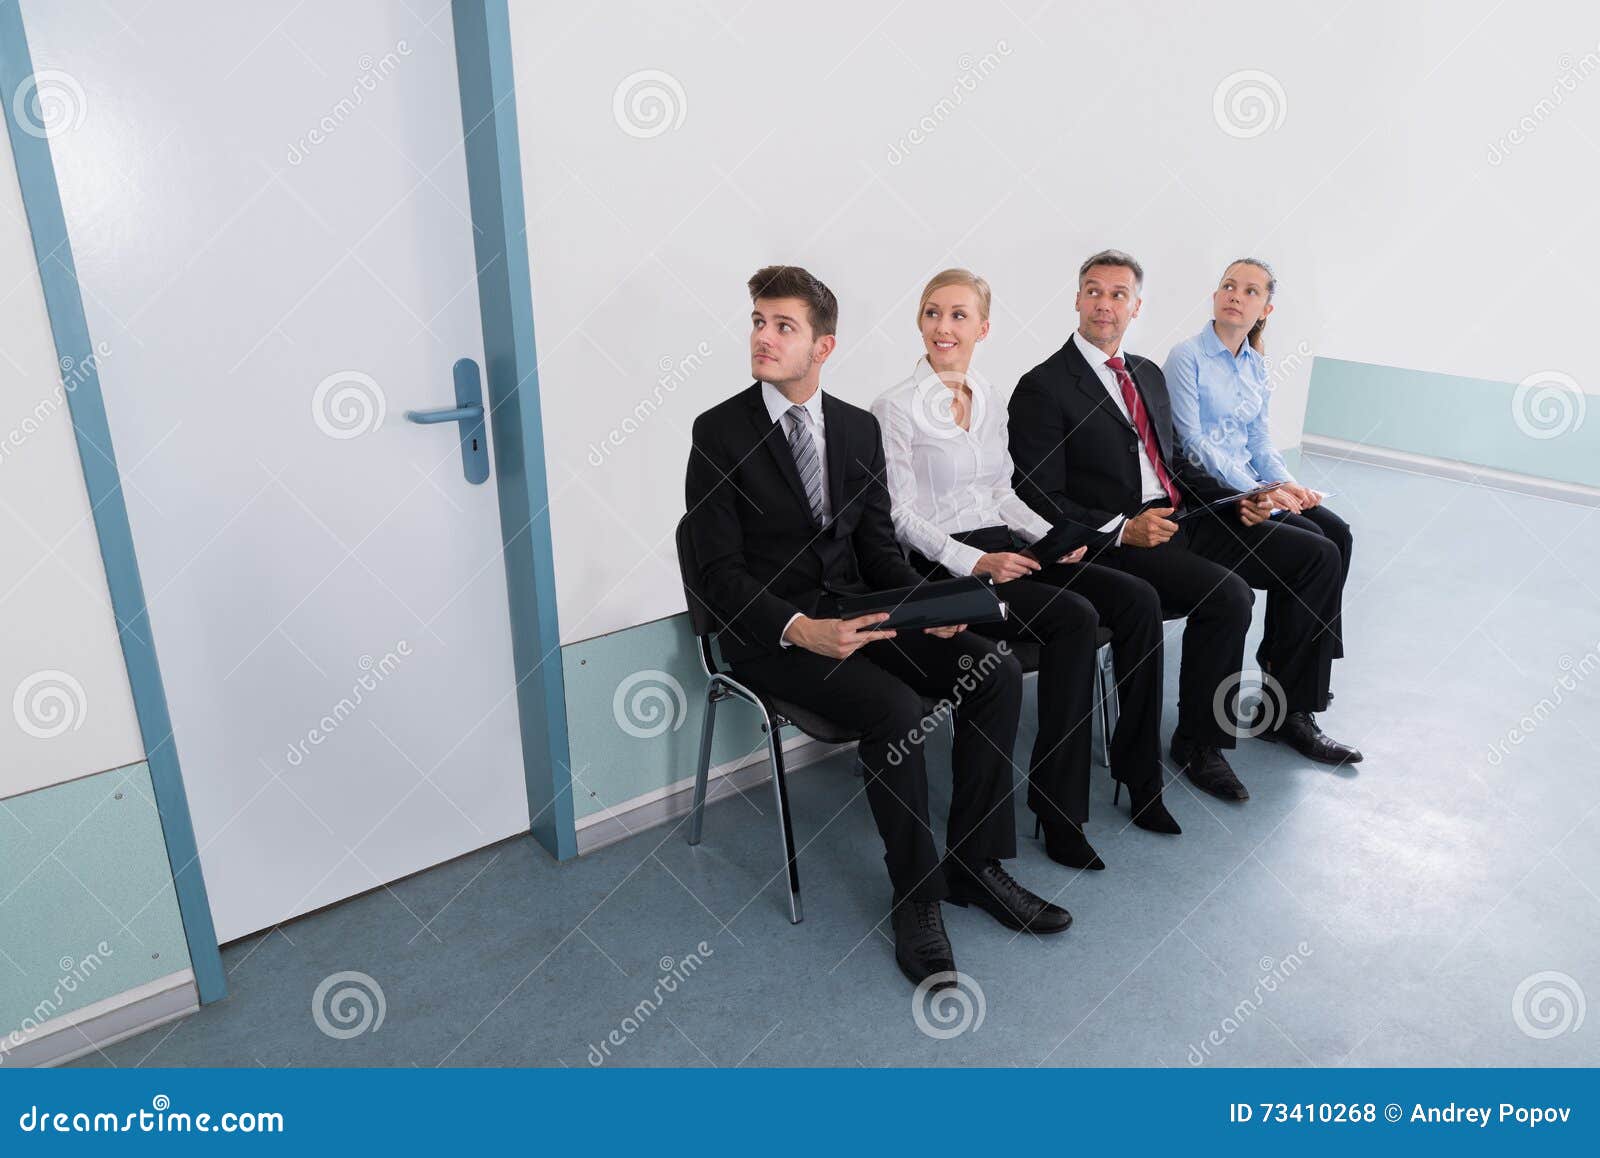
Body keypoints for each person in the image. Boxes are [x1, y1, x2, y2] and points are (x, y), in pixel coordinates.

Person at [684, 265, 1070, 993]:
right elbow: (721, 577)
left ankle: (976, 868)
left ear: (823, 346)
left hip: (861, 610)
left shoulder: (856, 428)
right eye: (759, 322)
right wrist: (802, 630)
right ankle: (917, 899)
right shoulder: (719, 432)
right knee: (895, 710)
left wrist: (930, 611)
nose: (763, 337)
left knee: (994, 670)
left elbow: (877, 552)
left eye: (783, 326)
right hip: (773, 637)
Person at [1008, 250, 1361, 808]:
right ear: (1077, 300)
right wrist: (1123, 529)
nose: (1105, 303)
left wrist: (1243, 497)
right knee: (1229, 596)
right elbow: (1036, 492)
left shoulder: (1144, 372)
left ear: (1136, 307)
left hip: (1190, 514)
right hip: (1126, 539)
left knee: (1318, 554)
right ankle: (1198, 743)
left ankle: (1291, 710)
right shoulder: (1042, 386)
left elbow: (1180, 463)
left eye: (1119, 294)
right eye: (1094, 291)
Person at [871, 268, 1179, 875]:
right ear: (920, 321)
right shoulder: (895, 407)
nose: (943, 327)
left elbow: (1003, 493)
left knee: (1136, 598)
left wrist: (1061, 538)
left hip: (1005, 545)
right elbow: (898, 516)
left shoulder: (986, 397)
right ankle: (1060, 813)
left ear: (982, 327)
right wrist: (976, 561)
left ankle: (1139, 776)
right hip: (944, 565)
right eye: (933, 313)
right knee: (1074, 618)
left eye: (959, 316)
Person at [1164, 258, 1352, 706]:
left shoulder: (1254, 364)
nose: (1236, 295)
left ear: (1265, 309)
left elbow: (1259, 439)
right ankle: (1293, 670)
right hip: (1210, 496)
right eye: (1229, 286)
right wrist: (1259, 492)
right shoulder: (1186, 357)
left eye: (1251, 291)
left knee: (1337, 532)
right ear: (1215, 296)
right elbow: (1191, 444)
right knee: (1313, 546)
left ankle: (1292, 660)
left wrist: (1289, 484)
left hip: (1250, 484)